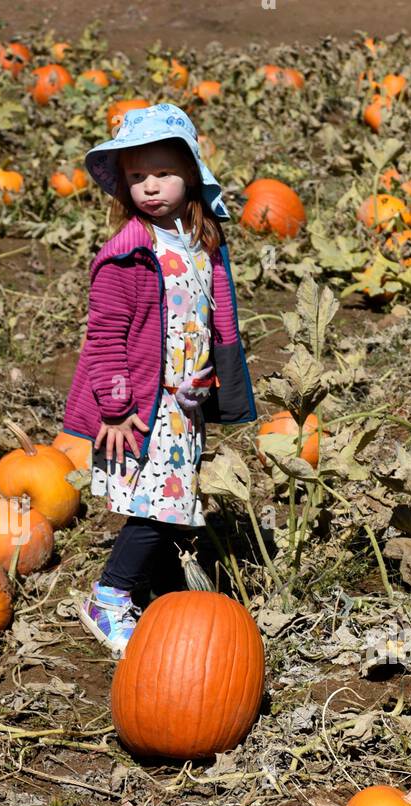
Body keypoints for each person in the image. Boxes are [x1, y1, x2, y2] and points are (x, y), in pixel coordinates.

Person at [62, 103, 257, 656]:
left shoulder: (198, 242)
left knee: (174, 500)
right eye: (136, 177)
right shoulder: (127, 255)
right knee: (158, 507)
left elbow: (208, 320)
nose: (149, 186)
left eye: (162, 173)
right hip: (141, 409)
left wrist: (213, 377)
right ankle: (110, 596)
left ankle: (160, 589)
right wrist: (116, 405)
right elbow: (105, 336)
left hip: (183, 404)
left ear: (191, 173)